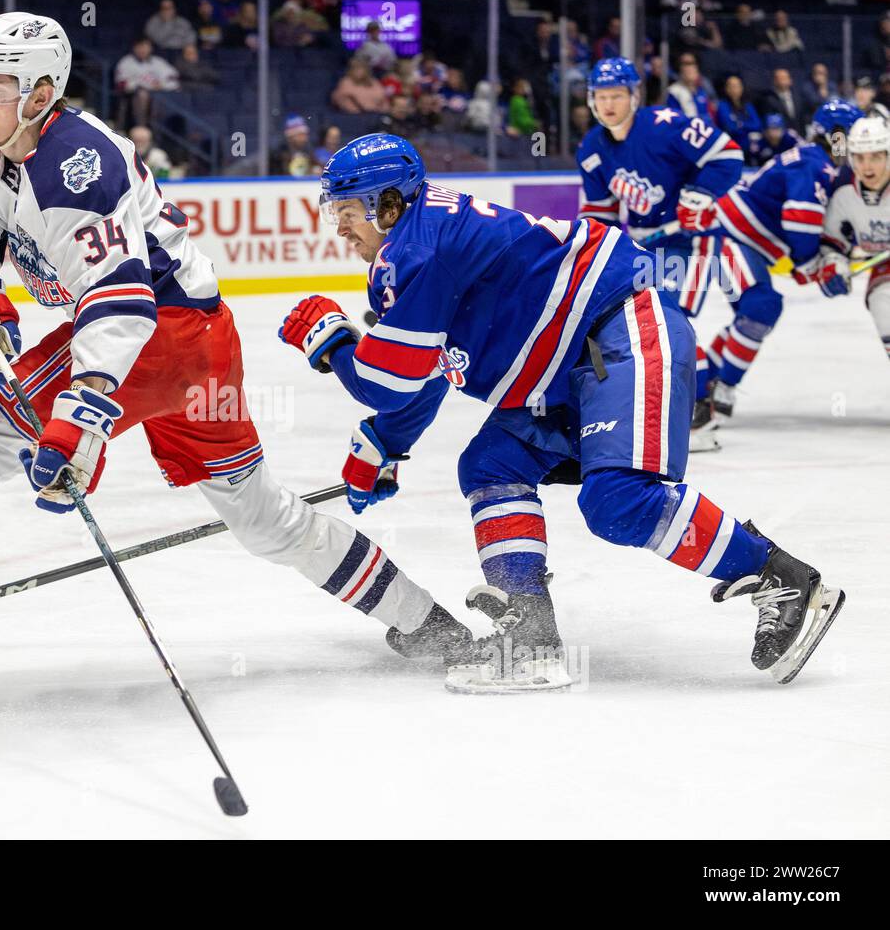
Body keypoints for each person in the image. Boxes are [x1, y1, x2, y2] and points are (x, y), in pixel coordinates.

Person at [0, 13, 465, 721]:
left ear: (41, 93)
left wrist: (80, 420)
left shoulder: (79, 163)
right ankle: (428, 624)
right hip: (203, 343)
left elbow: (119, 301)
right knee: (264, 519)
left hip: (150, 335)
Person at [277, 133, 846, 693]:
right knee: (489, 466)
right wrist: (384, 444)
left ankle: (785, 578)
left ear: (390, 203)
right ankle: (531, 634)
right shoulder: (408, 251)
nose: (340, 227)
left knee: (617, 501)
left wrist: (330, 344)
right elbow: (418, 379)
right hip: (569, 374)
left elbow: (385, 379)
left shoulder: (420, 247)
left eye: (348, 211)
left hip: (622, 331)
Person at [579, 57, 764, 440]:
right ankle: (667, 404)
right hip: (649, 244)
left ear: (634, 96)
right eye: (601, 96)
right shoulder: (591, 149)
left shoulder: (664, 126)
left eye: (616, 95)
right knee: (633, 322)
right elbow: (603, 217)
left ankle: (698, 411)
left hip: (692, 240)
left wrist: (700, 195)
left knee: (664, 316)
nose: (608, 104)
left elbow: (726, 154)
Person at [681, 100, 863, 416]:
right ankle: (717, 388)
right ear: (837, 136)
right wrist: (810, 266)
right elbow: (798, 218)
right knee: (762, 306)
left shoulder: (816, 162)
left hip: (738, 238)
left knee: (755, 313)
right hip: (729, 236)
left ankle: (706, 382)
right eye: (854, 136)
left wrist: (826, 262)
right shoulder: (817, 165)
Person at [824, 114, 890, 361]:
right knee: (883, 302)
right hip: (884, 268)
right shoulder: (844, 196)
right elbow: (832, 242)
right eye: (860, 158)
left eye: (875, 156)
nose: (867, 166)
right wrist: (835, 266)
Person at [113, 37, 179, 129]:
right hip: (134, 96)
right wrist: (144, 85)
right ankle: (141, 127)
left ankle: (160, 130)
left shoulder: (158, 62)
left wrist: (162, 85)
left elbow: (174, 79)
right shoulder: (126, 62)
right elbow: (121, 84)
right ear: (134, 48)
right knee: (142, 94)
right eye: (140, 47)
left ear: (150, 48)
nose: (143, 50)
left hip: (159, 94)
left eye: (145, 47)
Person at [715, 75, 761, 163]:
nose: (734, 89)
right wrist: (746, 126)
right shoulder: (723, 105)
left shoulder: (747, 105)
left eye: (737, 86)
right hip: (731, 148)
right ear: (726, 89)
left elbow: (757, 125)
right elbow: (730, 127)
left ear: (742, 88)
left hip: (750, 148)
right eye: (731, 86)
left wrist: (741, 124)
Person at [665, 53, 714, 121]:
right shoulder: (673, 91)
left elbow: (708, 116)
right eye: (685, 65)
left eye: (692, 64)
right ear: (680, 69)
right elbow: (675, 120)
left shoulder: (701, 91)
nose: (689, 68)